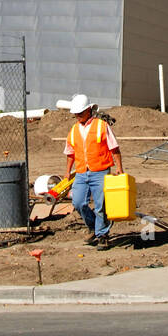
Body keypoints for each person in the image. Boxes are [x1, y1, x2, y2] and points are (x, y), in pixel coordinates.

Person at [61, 93, 123, 251]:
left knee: (100, 205)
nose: (78, 116)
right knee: (78, 202)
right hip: (81, 171)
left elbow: (114, 148)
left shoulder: (102, 126)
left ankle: (102, 234)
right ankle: (93, 226)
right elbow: (70, 153)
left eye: (80, 113)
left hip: (100, 170)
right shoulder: (74, 129)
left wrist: (119, 168)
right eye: (76, 114)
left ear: (89, 110)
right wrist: (67, 173)